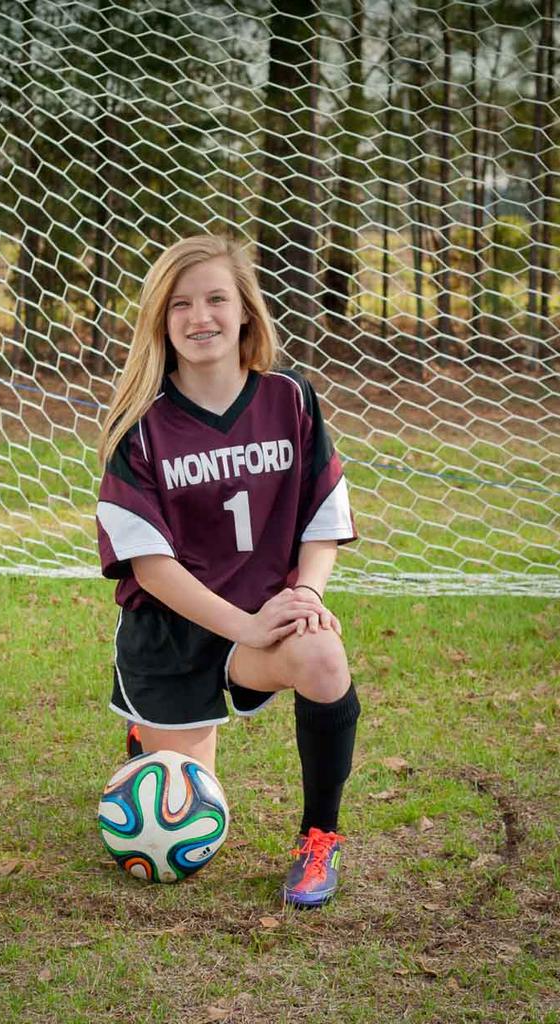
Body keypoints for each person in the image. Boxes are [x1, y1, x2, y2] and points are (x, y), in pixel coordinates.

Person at [95, 234, 359, 907]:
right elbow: (150, 567)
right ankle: (149, 735)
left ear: (246, 310)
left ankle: (317, 838)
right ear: (161, 319)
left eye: (216, 298)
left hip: (261, 625)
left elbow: (322, 516)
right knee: (184, 833)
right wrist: (247, 620)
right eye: (180, 303)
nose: (200, 316)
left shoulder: (289, 399)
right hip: (172, 637)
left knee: (325, 658)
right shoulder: (141, 427)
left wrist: (303, 596)